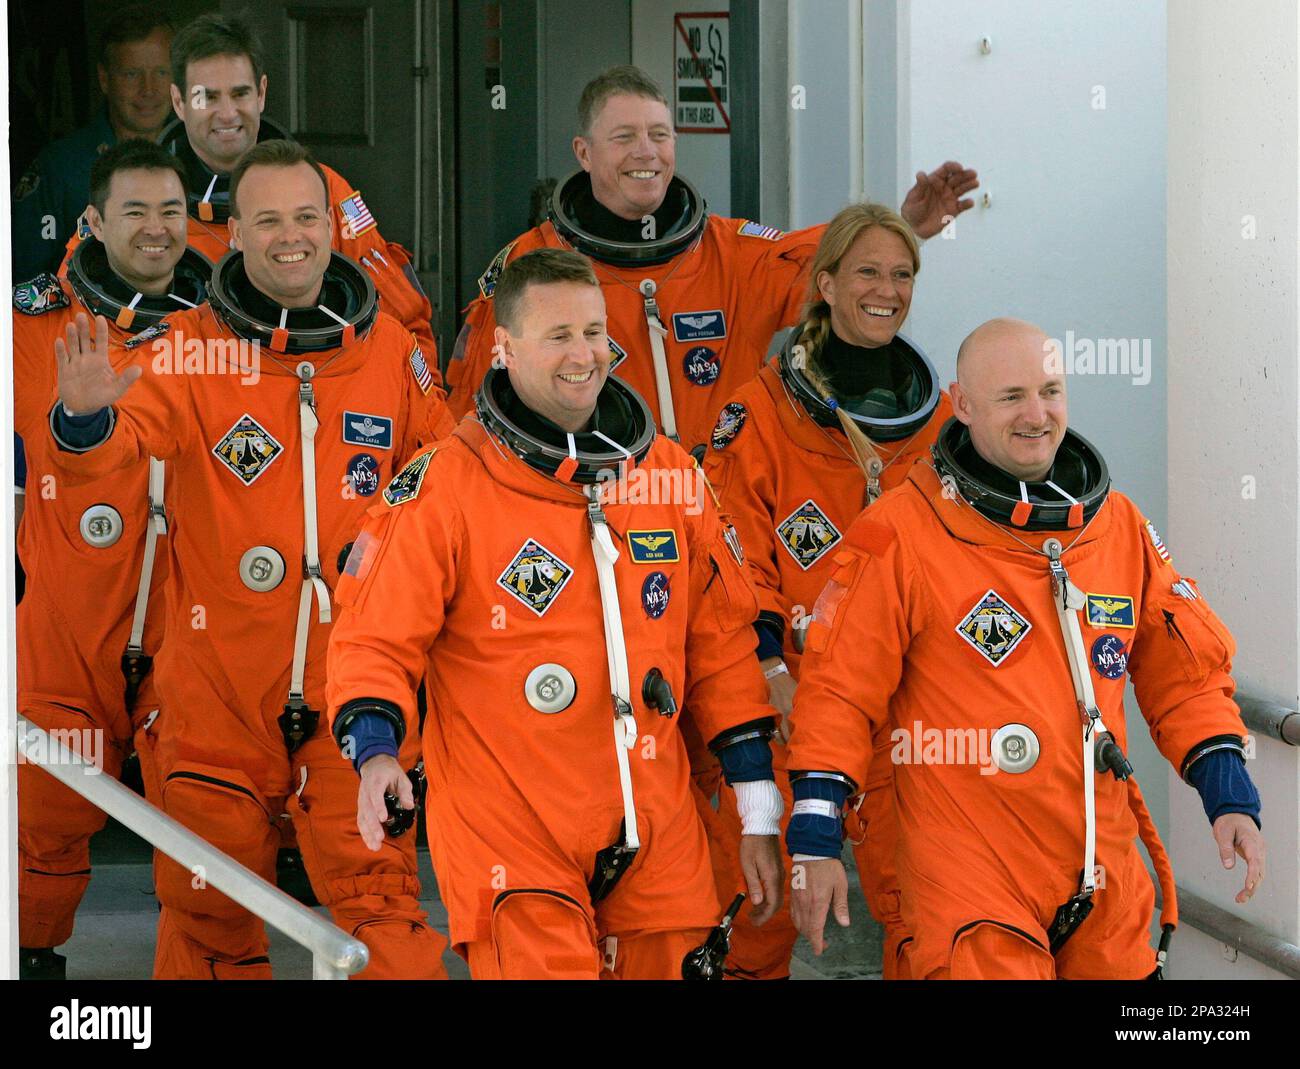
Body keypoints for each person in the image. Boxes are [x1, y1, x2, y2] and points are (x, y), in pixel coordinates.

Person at [46, 139, 452, 979]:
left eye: (306, 217)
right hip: (216, 695)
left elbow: (448, 486)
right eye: (267, 221)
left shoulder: (388, 351)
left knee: (382, 903)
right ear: (233, 235)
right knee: (208, 911)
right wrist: (84, 420)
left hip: (354, 692)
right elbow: (119, 446)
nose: (290, 237)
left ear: (332, 227)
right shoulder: (191, 348)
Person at [327, 248, 784, 979]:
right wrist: (377, 749)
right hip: (512, 826)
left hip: (656, 819)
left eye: (594, 332)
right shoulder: (447, 483)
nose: (584, 355)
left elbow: (722, 643)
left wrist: (756, 804)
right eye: (559, 336)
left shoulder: (668, 473)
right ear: (504, 349)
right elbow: (375, 637)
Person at [787, 317, 1266, 979]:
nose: (1036, 415)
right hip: (970, 879)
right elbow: (839, 690)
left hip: (1105, 874)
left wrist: (1229, 793)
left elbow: (1186, 673)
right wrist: (814, 841)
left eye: (1050, 391)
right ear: (961, 404)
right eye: (1011, 396)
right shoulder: (902, 531)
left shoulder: (1115, 526)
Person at [446, 64, 978, 457]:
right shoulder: (532, 266)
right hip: (593, 501)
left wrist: (906, 227)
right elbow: (470, 411)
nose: (646, 152)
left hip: (722, 511)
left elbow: (837, 272)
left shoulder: (733, 254)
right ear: (584, 152)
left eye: (659, 135)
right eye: (624, 137)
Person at [701, 203, 949, 979]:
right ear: (828, 283)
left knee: (933, 916)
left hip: (906, 707)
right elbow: (734, 557)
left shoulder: (941, 421)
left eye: (902, 275)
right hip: (793, 703)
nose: (887, 290)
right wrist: (769, 665)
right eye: (868, 272)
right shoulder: (759, 415)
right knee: (758, 911)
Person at [13, 139, 209, 980]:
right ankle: (30, 959)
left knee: (203, 819)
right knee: (44, 811)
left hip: (189, 616)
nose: (157, 228)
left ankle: (197, 958)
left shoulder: (227, 331)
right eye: (136, 211)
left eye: (171, 210)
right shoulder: (31, 323)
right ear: (92, 220)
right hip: (68, 614)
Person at [57, 12, 438, 360]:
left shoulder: (324, 189)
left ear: (262, 93)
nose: (227, 114)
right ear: (178, 101)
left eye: (239, 93)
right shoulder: (131, 197)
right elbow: (71, 318)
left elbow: (407, 326)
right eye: (207, 97)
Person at [13, 8, 174, 279]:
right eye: (131, 74)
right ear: (104, 79)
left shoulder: (202, 158)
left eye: (161, 72)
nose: (148, 89)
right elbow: (23, 278)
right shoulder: (60, 167)